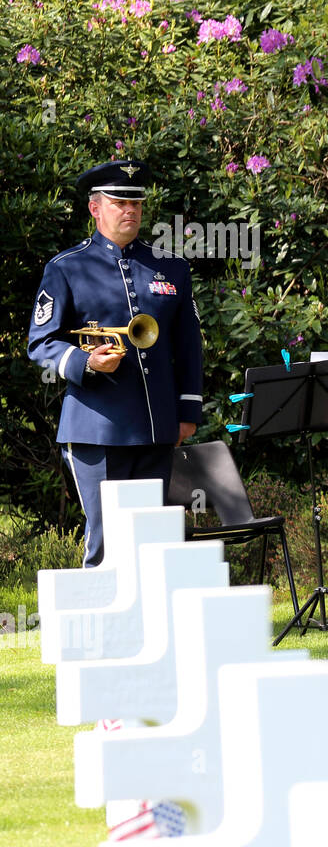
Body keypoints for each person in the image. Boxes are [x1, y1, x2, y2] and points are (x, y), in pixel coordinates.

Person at [28, 160, 204, 567]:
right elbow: (41, 342)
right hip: (95, 429)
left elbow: (188, 345)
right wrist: (86, 363)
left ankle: (153, 630)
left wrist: (187, 411)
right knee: (106, 544)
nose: (131, 210)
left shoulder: (172, 267)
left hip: (158, 426)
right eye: (120, 202)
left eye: (137, 203)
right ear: (95, 209)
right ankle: (100, 627)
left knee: (155, 543)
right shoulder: (66, 268)